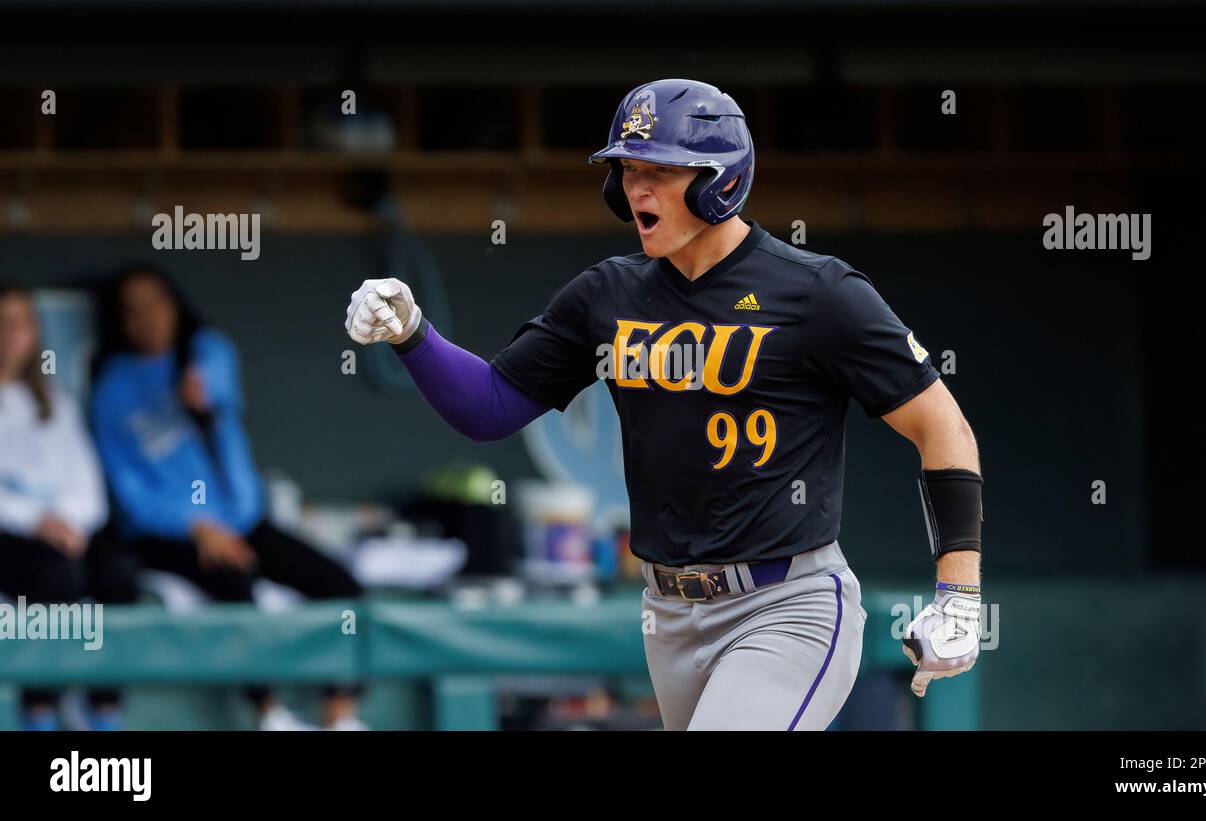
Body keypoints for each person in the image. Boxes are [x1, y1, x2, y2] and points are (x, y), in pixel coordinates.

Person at [344, 79, 984, 730]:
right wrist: (413, 335)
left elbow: (944, 427)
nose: (635, 189)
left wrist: (958, 594)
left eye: (659, 171)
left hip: (788, 602)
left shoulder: (818, 292)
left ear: (720, 181)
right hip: (669, 614)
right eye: (626, 170)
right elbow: (491, 406)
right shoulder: (608, 294)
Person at [91, 265, 366, 730]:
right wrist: (197, 527)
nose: (149, 318)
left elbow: (214, 386)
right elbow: (129, 491)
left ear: (175, 305)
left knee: (341, 584)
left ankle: (340, 713)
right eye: (133, 310)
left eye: (157, 302)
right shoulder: (111, 386)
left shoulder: (207, 352)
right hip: (171, 532)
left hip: (242, 517)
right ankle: (270, 713)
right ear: (120, 321)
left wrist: (199, 394)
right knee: (237, 585)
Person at [0, 284, 135, 730]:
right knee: (57, 578)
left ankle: (101, 707)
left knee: (117, 575)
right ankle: (39, 708)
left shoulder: (56, 402)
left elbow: (86, 482)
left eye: (20, 321)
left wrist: (69, 524)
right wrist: (37, 520)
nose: (10, 333)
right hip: (14, 534)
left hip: (69, 529)